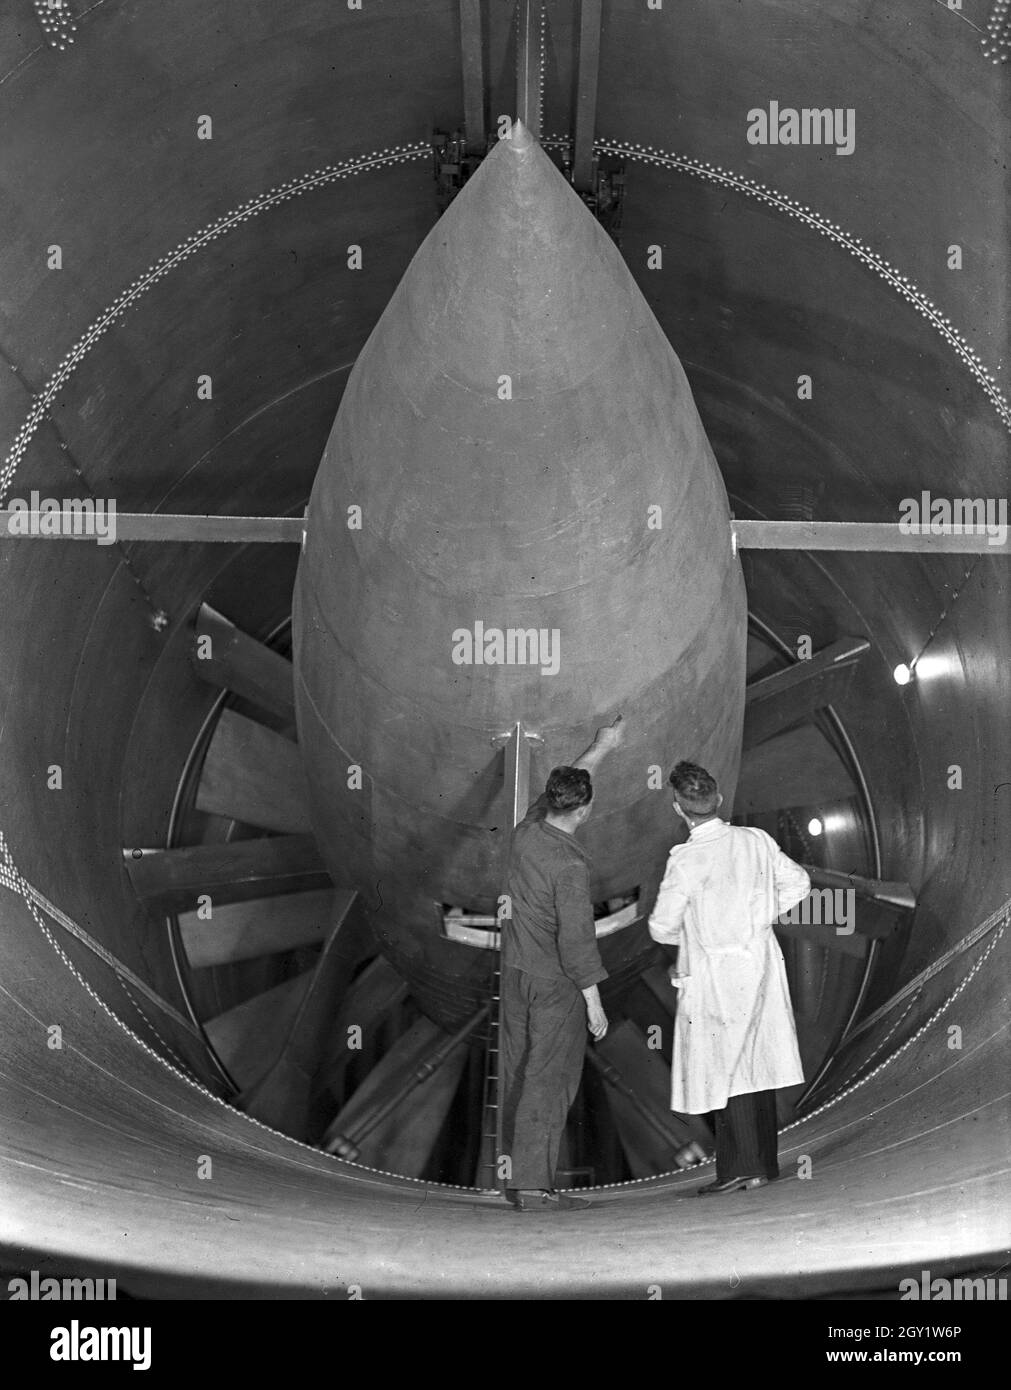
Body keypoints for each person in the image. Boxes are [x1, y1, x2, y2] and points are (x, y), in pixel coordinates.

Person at [648, 760, 810, 1195]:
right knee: (755, 1064)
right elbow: (799, 883)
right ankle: (761, 1167)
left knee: (727, 1071)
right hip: (757, 965)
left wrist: (699, 931)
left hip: (714, 976)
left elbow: (661, 926)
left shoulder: (685, 860)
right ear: (717, 800)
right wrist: (757, 916)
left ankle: (741, 1170)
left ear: (678, 808)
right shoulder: (755, 841)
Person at [500, 715, 624, 1212]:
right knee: (549, 1081)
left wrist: (601, 747)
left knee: (517, 1070)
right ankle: (532, 1187)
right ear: (587, 811)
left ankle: (516, 1177)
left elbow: (566, 785)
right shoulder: (570, 867)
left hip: (516, 975)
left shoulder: (524, 834)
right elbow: (578, 944)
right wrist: (594, 1005)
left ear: (551, 801)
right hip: (556, 986)